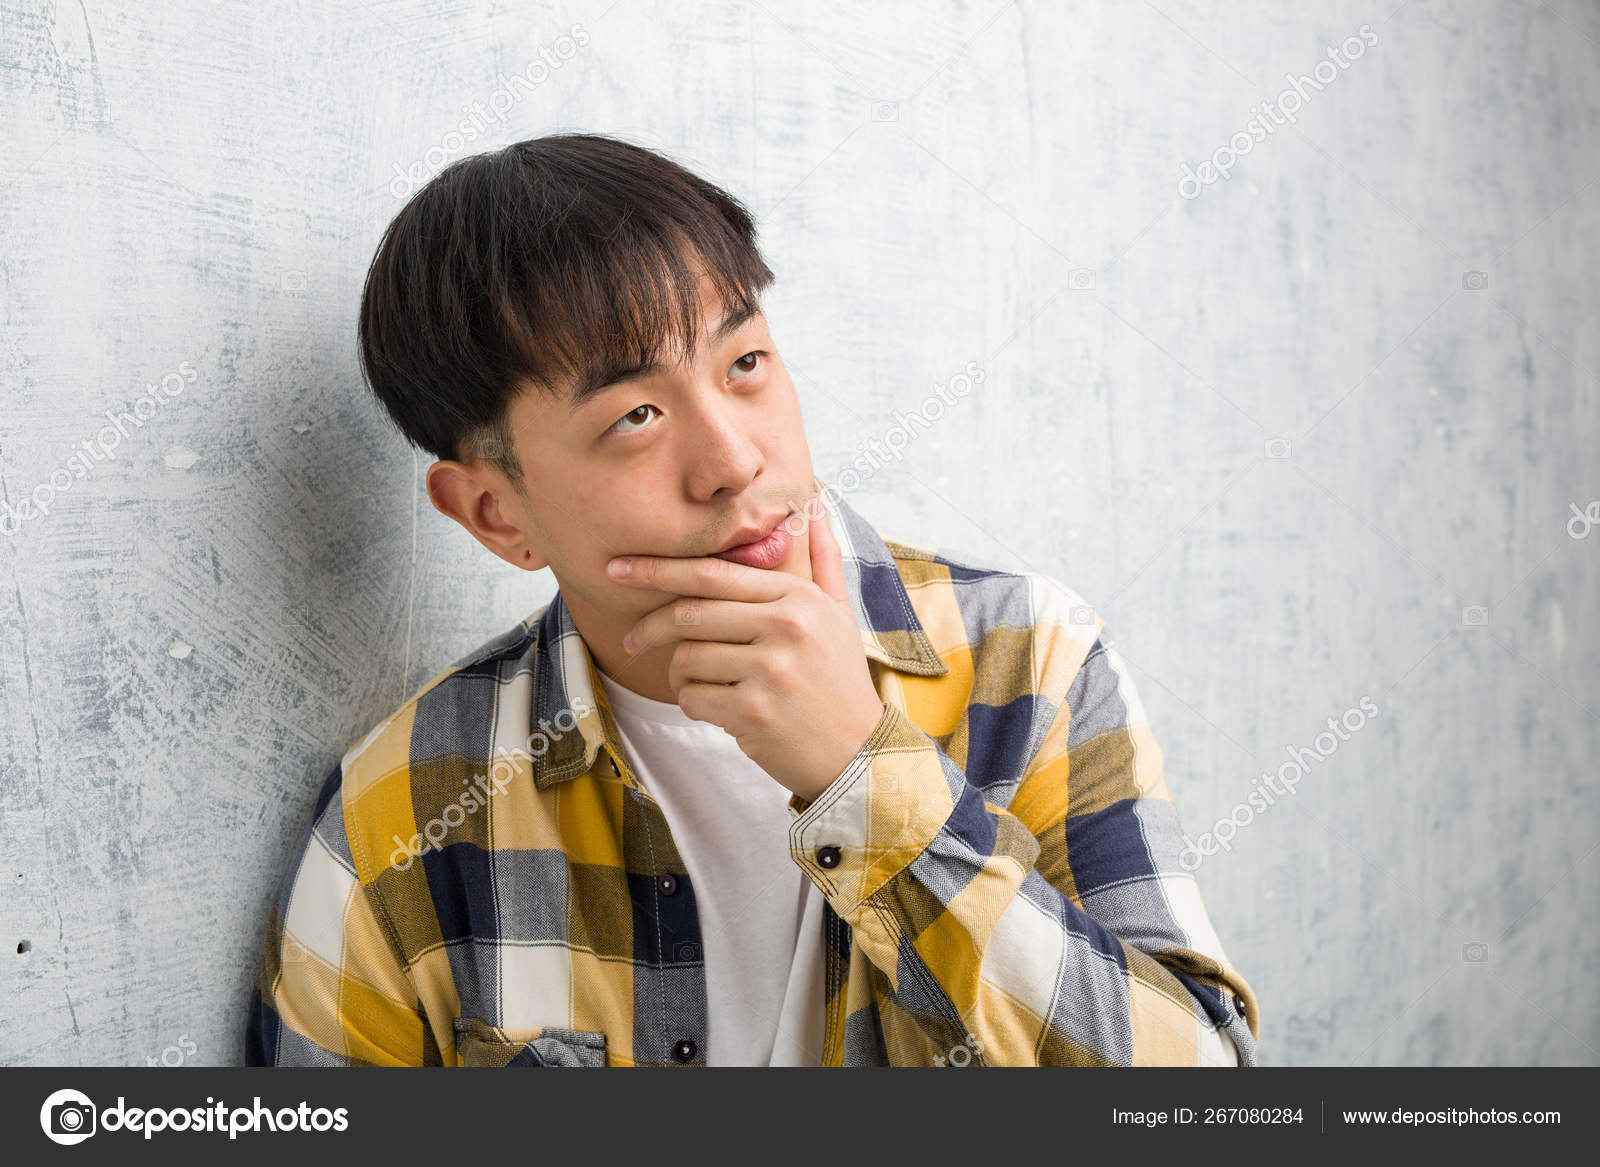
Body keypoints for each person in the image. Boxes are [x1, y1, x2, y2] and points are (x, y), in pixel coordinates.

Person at [243, 132, 1258, 1067]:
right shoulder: (405, 814)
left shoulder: (1028, 667)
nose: (734, 460)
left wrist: (864, 779)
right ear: (494, 512)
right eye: (635, 415)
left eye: (746, 365)